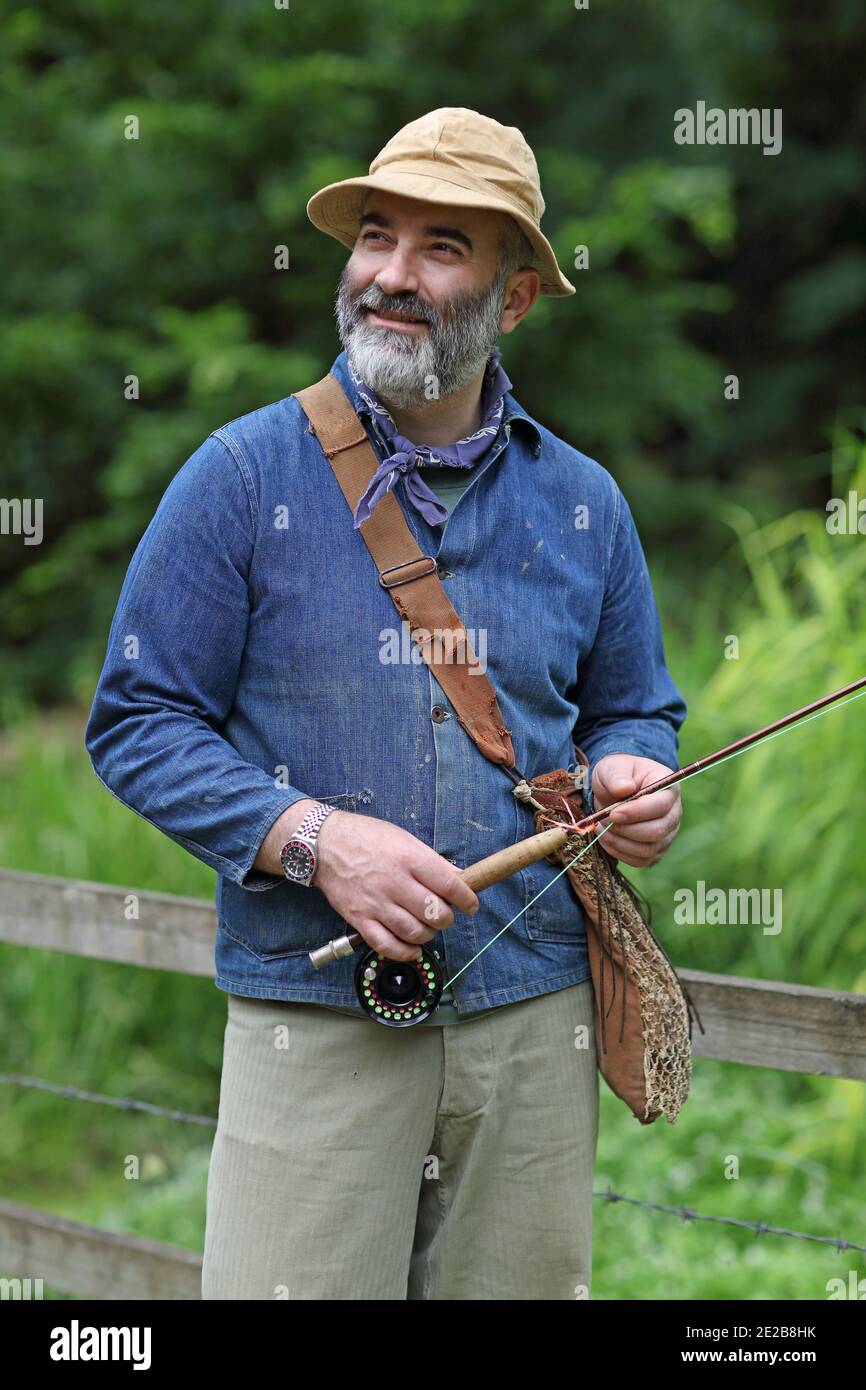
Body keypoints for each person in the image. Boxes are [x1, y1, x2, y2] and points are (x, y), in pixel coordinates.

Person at [84, 107, 687, 1300]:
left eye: (440, 247)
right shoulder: (239, 476)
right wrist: (314, 840)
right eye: (374, 235)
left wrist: (633, 774)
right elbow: (137, 720)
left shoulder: (585, 502)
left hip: (536, 1018)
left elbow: (635, 709)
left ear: (512, 299)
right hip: (311, 1017)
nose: (389, 275)